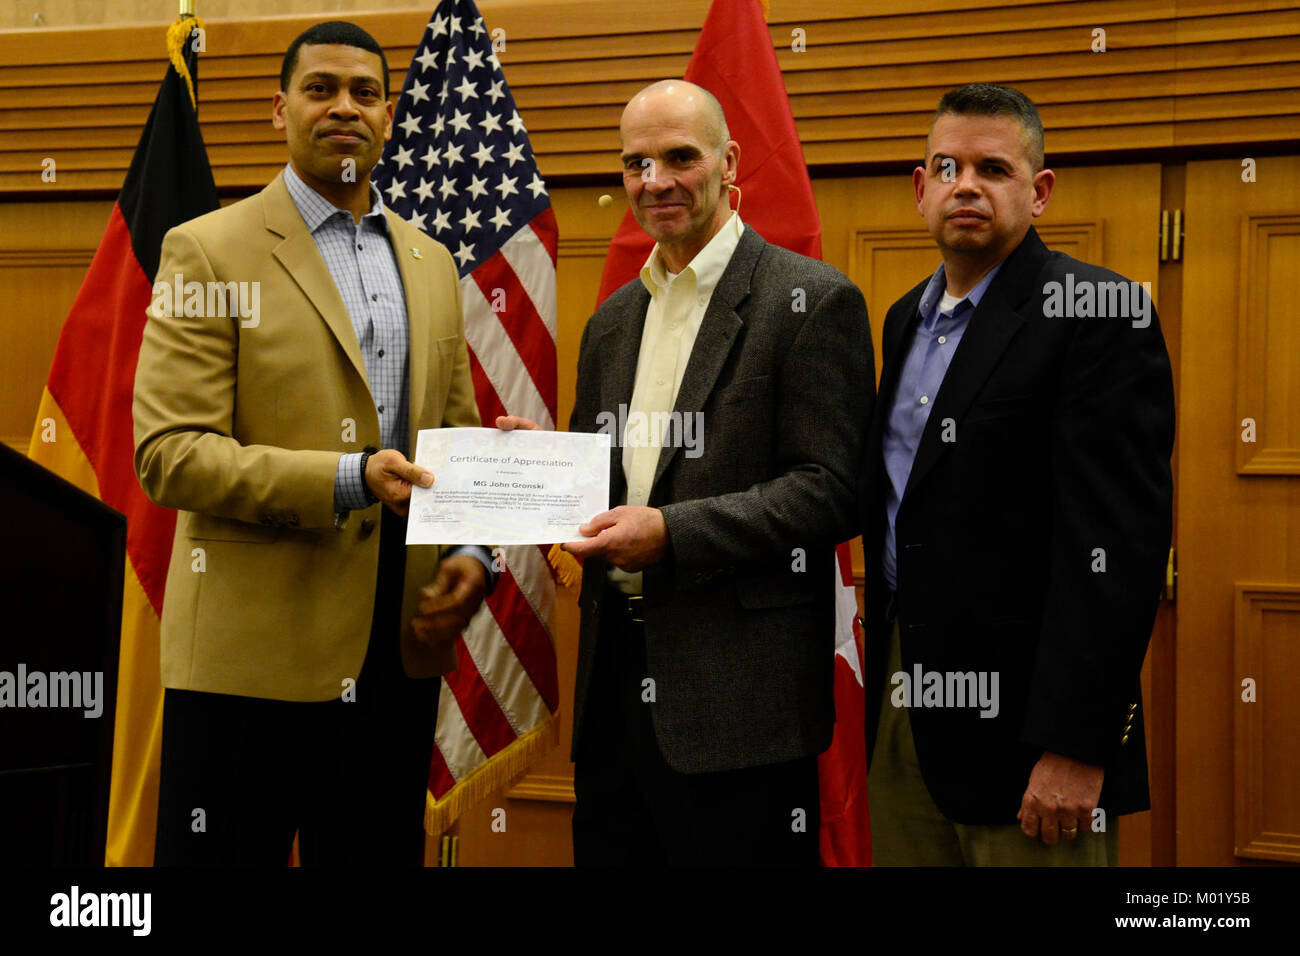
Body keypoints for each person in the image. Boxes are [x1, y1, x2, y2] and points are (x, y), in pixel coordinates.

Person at [133, 21, 492, 866]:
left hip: (392, 662)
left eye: (365, 93)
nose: (345, 108)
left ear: (387, 115)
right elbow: (170, 452)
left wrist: (473, 544)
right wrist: (349, 477)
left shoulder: (432, 260)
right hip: (246, 669)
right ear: (278, 109)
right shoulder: (206, 250)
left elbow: (454, 433)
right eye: (321, 88)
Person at [500, 80, 873, 866]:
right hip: (615, 700)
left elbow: (833, 487)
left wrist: (672, 534)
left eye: (679, 157)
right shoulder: (613, 323)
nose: (654, 181)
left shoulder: (809, 300)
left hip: (739, 710)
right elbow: (622, 485)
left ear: (730, 162)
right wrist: (550, 469)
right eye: (635, 163)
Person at [860, 83, 1174, 865]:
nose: (966, 185)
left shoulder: (1096, 311)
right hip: (905, 696)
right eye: (947, 165)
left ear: (1038, 193)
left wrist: (1077, 743)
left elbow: (1118, 552)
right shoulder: (904, 318)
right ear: (920, 188)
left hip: (1033, 725)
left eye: (992, 168)